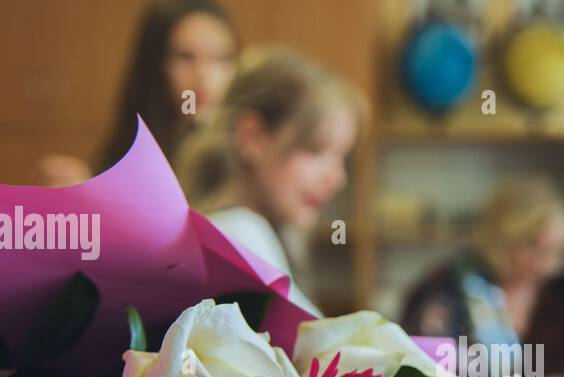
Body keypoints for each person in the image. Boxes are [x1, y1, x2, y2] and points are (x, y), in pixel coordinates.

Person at [177, 46, 366, 317]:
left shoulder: (255, 234)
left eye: (341, 158)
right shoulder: (240, 232)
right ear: (252, 136)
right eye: (315, 150)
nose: (337, 178)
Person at [401, 178, 564, 377]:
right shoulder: (446, 291)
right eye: (535, 248)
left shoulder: (558, 294)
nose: (547, 265)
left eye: (556, 251)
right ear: (503, 238)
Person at [40, 0, 238, 186]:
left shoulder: (243, 152)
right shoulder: (134, 150)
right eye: (185, 57)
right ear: (154, 65)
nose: (204, 76)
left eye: (221, 59)